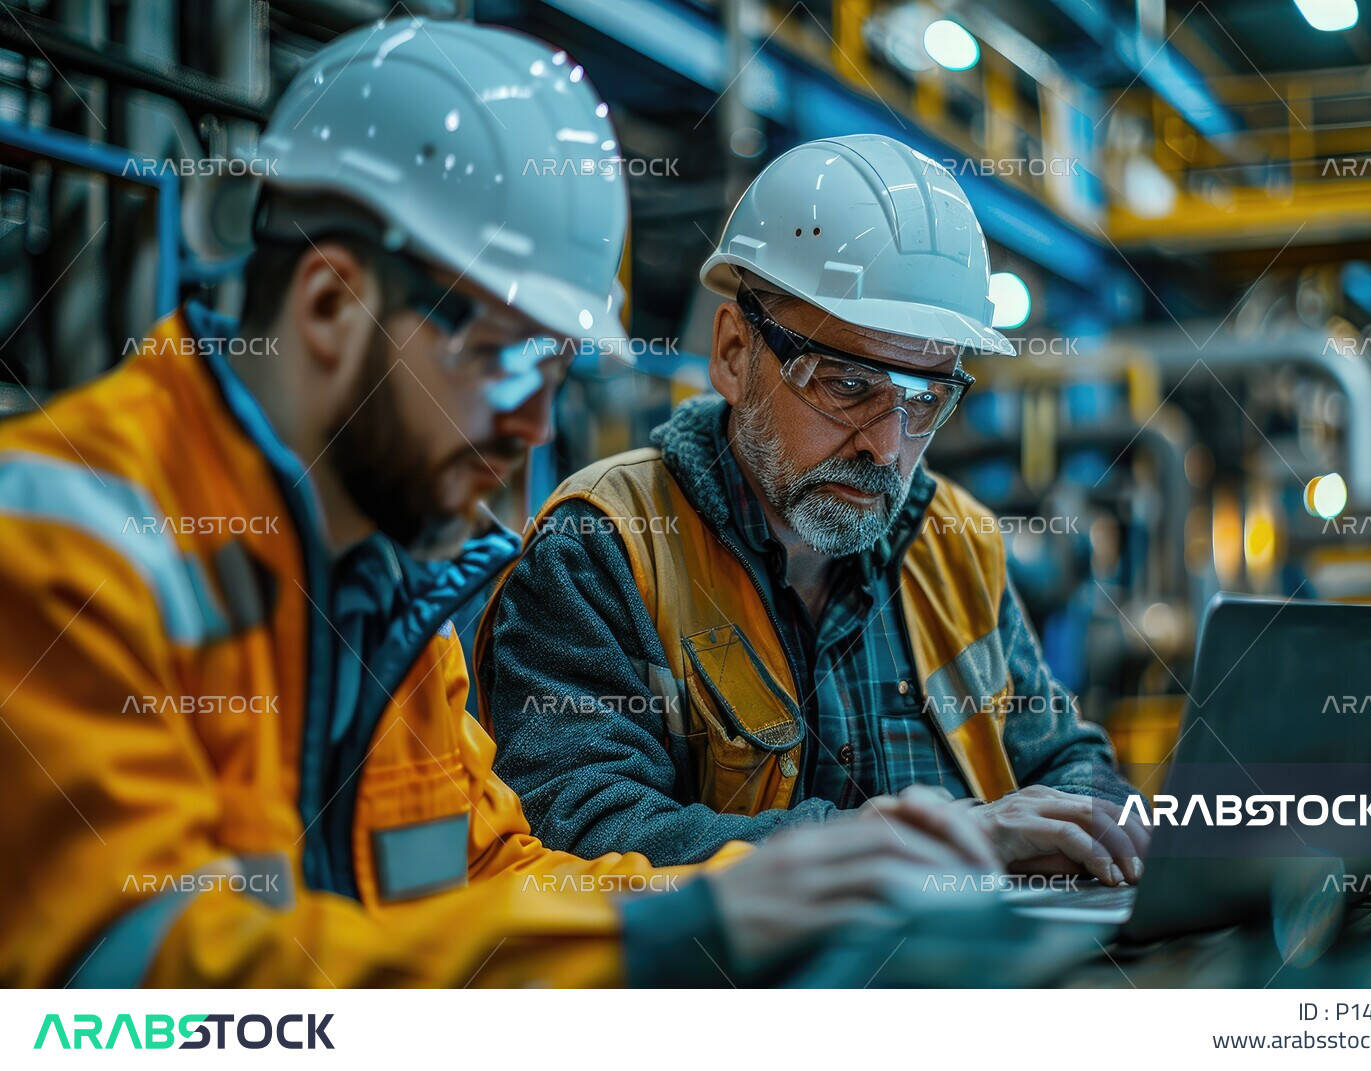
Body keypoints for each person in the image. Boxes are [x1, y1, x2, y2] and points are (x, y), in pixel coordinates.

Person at [0, 19, 1001, 989]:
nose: (534, 425)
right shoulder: (59, 544)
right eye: (505, 359)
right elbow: (139, 998)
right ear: (331, 306)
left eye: (557, 371)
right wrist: (686, 931)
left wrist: (767, 887)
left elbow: (493, 880)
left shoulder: (392, 602)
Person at [479, 133, 1149, 880]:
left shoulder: (957, 544)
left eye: (926, 400)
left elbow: (1062, 754)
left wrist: (1100, 820)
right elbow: (580, 834)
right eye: (849, 386)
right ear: (734, 353)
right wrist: (893, 846)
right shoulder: (605, 548)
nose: (886, 447)